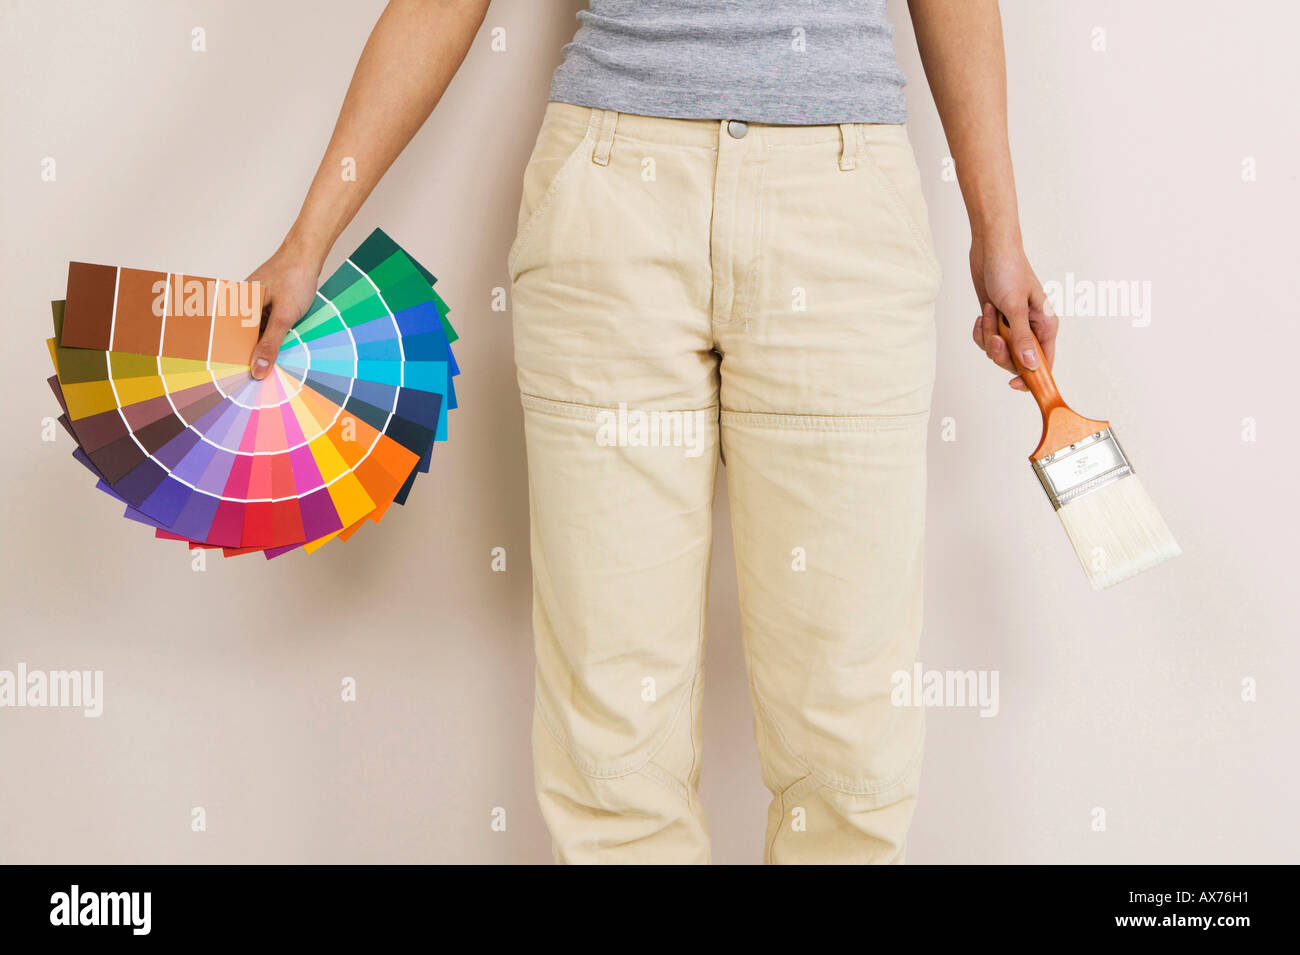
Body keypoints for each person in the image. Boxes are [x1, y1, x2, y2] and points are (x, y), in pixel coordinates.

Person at [247, 0, 1057, 864]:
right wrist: (306, 243)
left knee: (849, 739)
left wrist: (998, 229)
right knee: (613, 758)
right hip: (611, 202)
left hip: (843, 205)